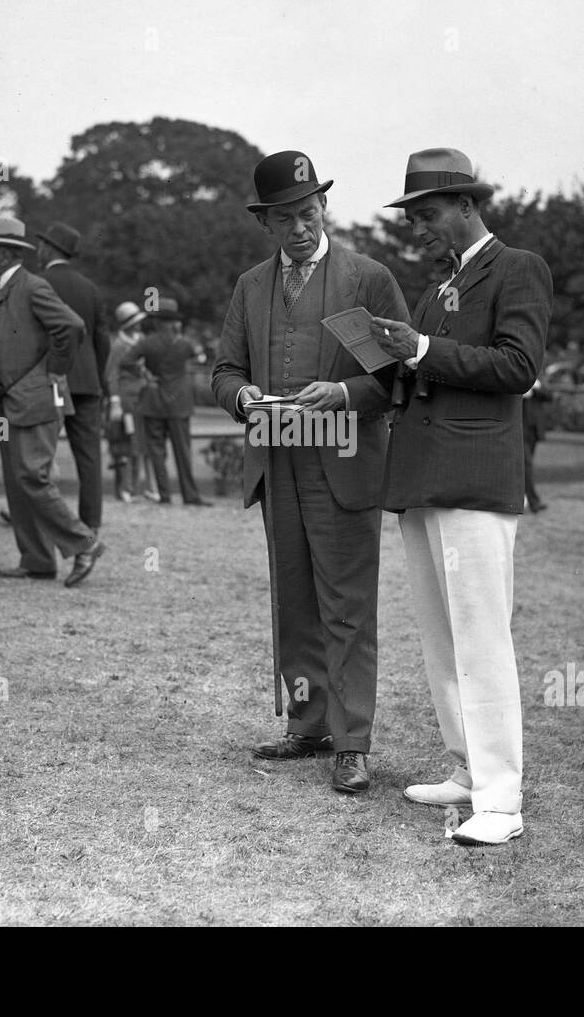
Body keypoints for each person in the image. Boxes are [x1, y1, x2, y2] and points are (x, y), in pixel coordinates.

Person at [369, 147, 552, 845]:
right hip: (421, 476)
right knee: (442, 636)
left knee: (481, 638)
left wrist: (419, 351)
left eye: (429, 213)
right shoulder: (438, 286)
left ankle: (501, 802)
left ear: (468, 206)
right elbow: (424, 369)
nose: (419, 226)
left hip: (475, 479)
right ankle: (467, 769)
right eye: (414, 215)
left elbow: (517, 367)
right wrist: (389, 360)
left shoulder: (519, 268)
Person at [211, 150, 409, 794]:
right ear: (265, 223)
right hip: (277, 454)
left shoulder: (367, 278)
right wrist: (241, 398)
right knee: (294, 600)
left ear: (323, 206)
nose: (299, 226)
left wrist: (345, 394)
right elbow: (225, 371)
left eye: (308, 211)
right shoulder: (250, 286)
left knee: (346, 605)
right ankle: (307, 723)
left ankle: (352, 743)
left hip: (344, 463)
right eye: (284, 217)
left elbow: (395, 380)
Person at [0, 215, 105, 586]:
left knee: (32, 475)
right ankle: (36, 560)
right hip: (9, 402)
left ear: (2, 253)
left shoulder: (31, 286)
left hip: (34, 402)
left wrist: (51, 371)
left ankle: (84, 543)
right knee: (17, 480)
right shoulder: (8, 287)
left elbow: (71, 326)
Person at [36, 222, 111, 531]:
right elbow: (102, 342)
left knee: (41, 453)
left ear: (50, 249)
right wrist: (97, 377)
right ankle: (91, 523)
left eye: (41, 244)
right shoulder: (90, 288)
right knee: (89, 458)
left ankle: (43, 518)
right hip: (88, 382)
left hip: (52, 380)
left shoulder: (38, 283)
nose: (38, 250)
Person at [131, 297, 211, 507]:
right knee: (183, 451)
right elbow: (201, 357)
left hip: (154, 401)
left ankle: (164, 495)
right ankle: (190, 495)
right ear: (175, 322)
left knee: (157, 451)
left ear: (157, 321)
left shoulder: (146, 343)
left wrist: (145, 374)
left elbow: (125, 362)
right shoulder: (184, 343)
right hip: (179, 402)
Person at [104, 300, 149, 501]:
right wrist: (114, 401)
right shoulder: (118, 345)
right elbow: (111, 374)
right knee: (124, 445)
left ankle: (136, 487)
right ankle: (124, 487)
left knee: (138, 443)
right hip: (125, 399)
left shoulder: (142, 340)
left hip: (142, 397)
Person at [521, 377, 551, 512]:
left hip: (533, 431)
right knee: (526, 465)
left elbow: (549, 396)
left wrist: (536, 388)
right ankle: (534, 502)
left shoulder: (537, 381)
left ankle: (523, 498)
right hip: (520, 430)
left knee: (525, 466)